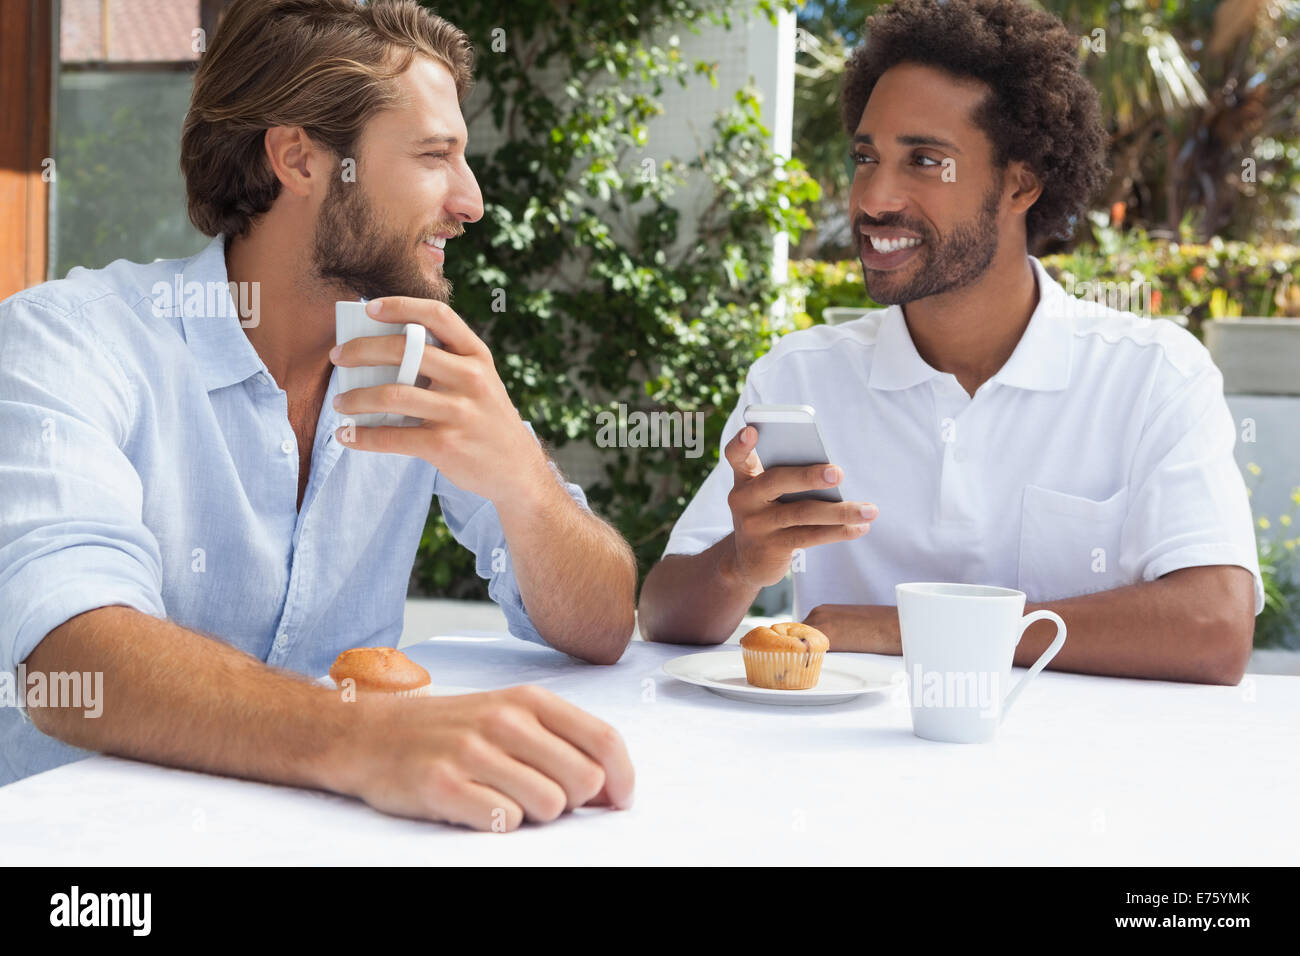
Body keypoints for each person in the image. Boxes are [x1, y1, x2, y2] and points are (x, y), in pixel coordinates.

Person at [0, 0, 635, 830]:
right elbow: (71, 655)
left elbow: (603, 626)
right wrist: (370, 739)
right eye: (434, 157)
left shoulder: (422, 364)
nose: (472, 201)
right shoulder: (69, 342)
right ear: (299, 160)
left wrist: (522, 480)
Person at [638, 0, 1262, 685]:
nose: (873, 198)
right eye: (865, 156)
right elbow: (665, 617)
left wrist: (897, 630)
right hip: (851, 775)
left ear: (1021, 182)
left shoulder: (1151, 376)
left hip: (1078, 782)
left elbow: (1213, 627)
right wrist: (739, 562)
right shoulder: (800, 378)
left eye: (925, 161)